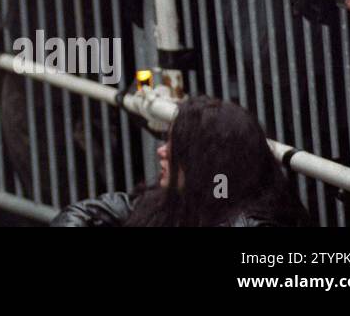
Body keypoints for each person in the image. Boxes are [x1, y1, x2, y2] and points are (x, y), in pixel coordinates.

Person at [52, 97, 309, 227]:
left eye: (176, 146)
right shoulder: (181, 199)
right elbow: (87, 213)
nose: (161, 152)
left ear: (206, 160)